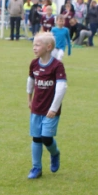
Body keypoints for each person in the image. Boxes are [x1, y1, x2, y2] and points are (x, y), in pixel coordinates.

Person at [27, 31, 67, 180]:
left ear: (49, 47)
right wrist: (29, 98)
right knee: (36, 138)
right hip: (36, 108)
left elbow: (61, 88)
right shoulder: (34, 64)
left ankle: (55, 153)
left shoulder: (57, 66)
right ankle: (36, 168)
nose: (34, 48)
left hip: (50, 110)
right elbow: (31, 81)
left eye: (38, 45)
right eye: (33, 45)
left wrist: (54, 108)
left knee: (46, 138)